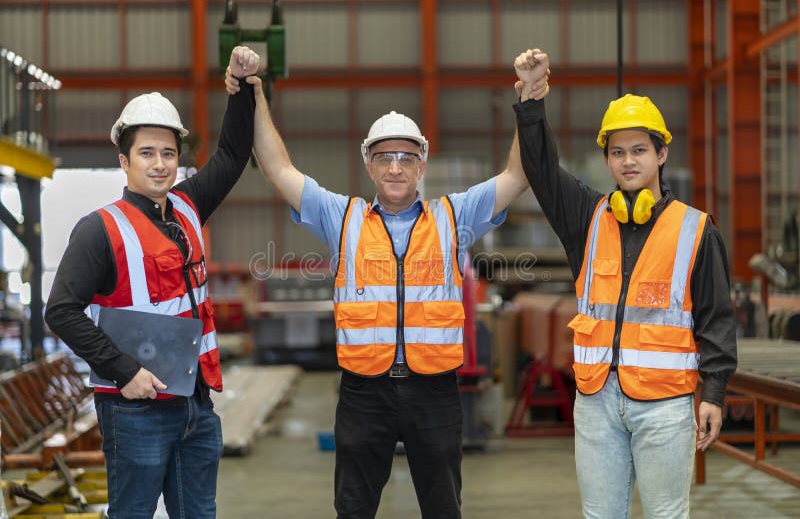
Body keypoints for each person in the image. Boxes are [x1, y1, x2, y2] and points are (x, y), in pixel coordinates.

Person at [224, 65, 542, 518]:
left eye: (407, 157)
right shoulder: (343, 218)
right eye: (385, 157)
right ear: (368, 164)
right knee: (353, 509)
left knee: (443, 508)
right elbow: (277, 168)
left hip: (434, 392)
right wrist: (254, 94)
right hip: (364, 393)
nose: (396, 167)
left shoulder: (455, 217)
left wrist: (528, 98)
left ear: (422, 165)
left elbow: (517, 176)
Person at [512, 48, 738, 518]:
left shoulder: (696, 229)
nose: (628, 161)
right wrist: (532, 97)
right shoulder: (587, 218)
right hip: (596, 401)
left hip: (665, 404)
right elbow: (540, 172)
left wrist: (713, 393)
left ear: (661, 154)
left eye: (639, 150)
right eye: (618, 152)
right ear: (607, 160)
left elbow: (716, 317)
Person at [45, 46, 260, 518]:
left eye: (168, 153)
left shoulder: (187, 206)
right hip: (134, 409)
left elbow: (233, 154)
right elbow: (59, 310)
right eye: (146, 153)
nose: (159, 163)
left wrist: (241, 88)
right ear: (124, 161)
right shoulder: (99, 229)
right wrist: (124, 371)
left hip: (195, 405)